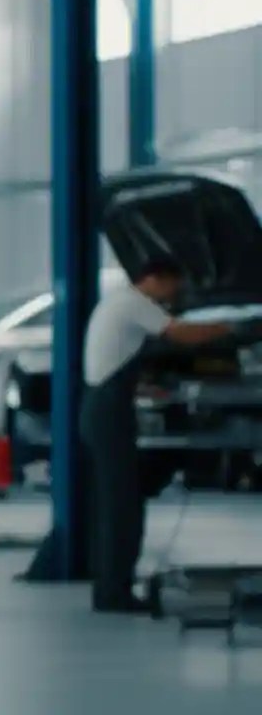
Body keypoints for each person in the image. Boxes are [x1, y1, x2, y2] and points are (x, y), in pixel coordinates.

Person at [81, 257, 239, 612]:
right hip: (107, 414)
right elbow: (183, 334)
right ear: (154, 279)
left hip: (102, 408)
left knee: (119, 502)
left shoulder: (118, 303)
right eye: (173, 287)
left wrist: (148, 388)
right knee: (121, 507)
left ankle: (112, 587)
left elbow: (121, 359)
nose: (173, 296)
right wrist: (231, 328)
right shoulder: (134, 304)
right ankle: (114, 594)